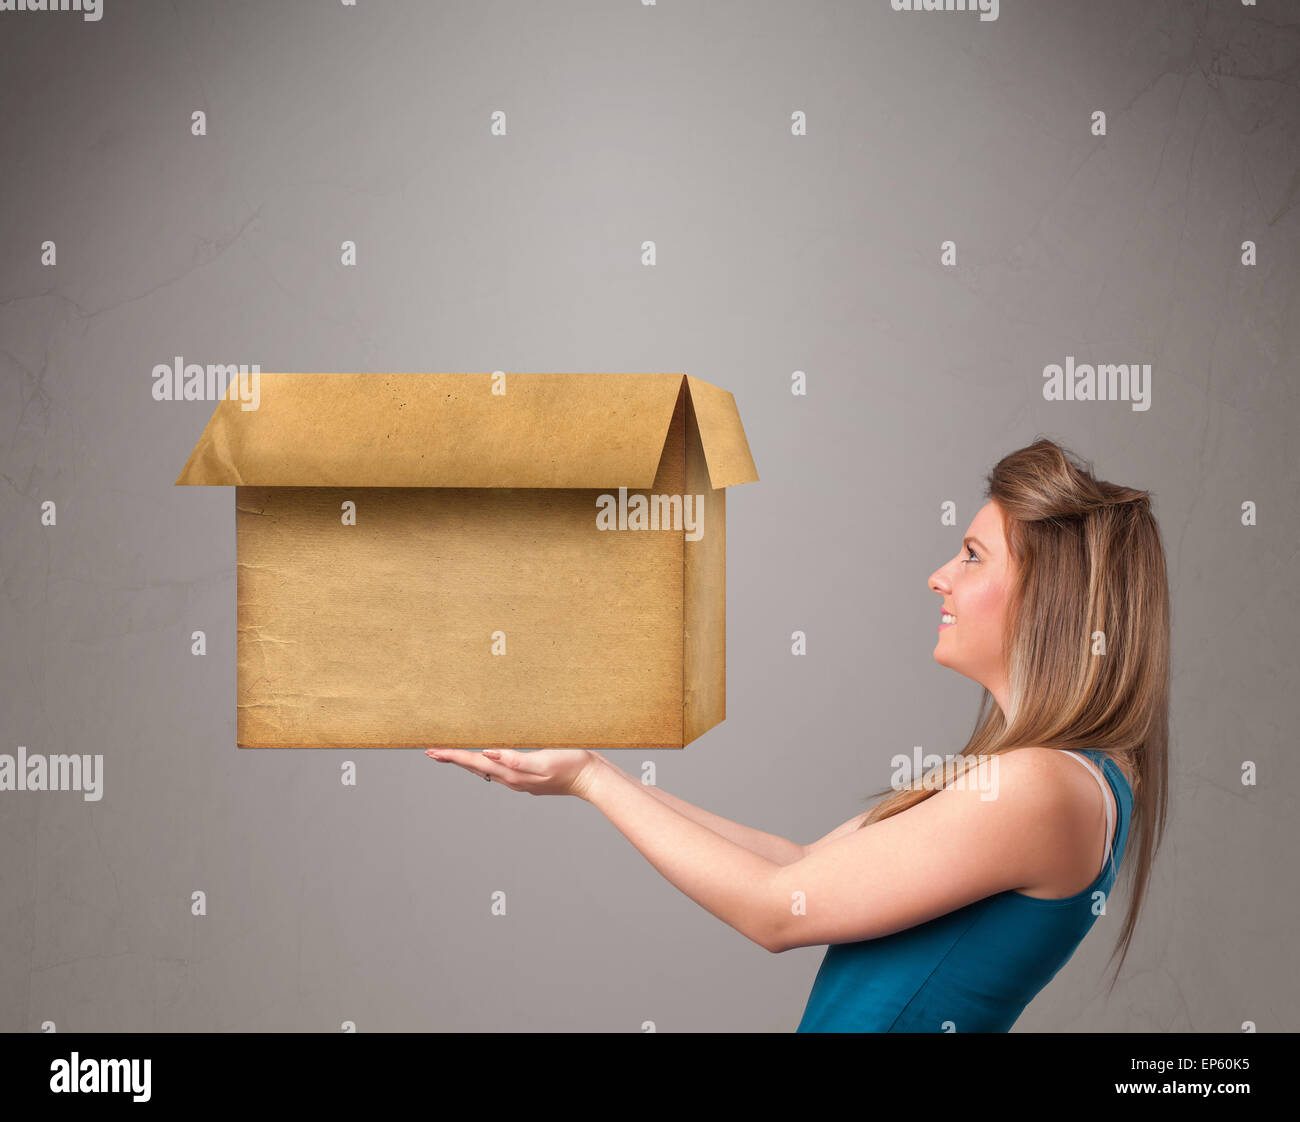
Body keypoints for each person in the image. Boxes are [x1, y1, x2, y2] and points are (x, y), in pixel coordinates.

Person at [426, 437, 1171, 1032]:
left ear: (1052, 598)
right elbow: (802, 864)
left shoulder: (1040, 786)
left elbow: (779, 911)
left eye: (973, 555)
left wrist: (589, 780)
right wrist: (592, 773)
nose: (939, 576)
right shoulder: (1058, 779)